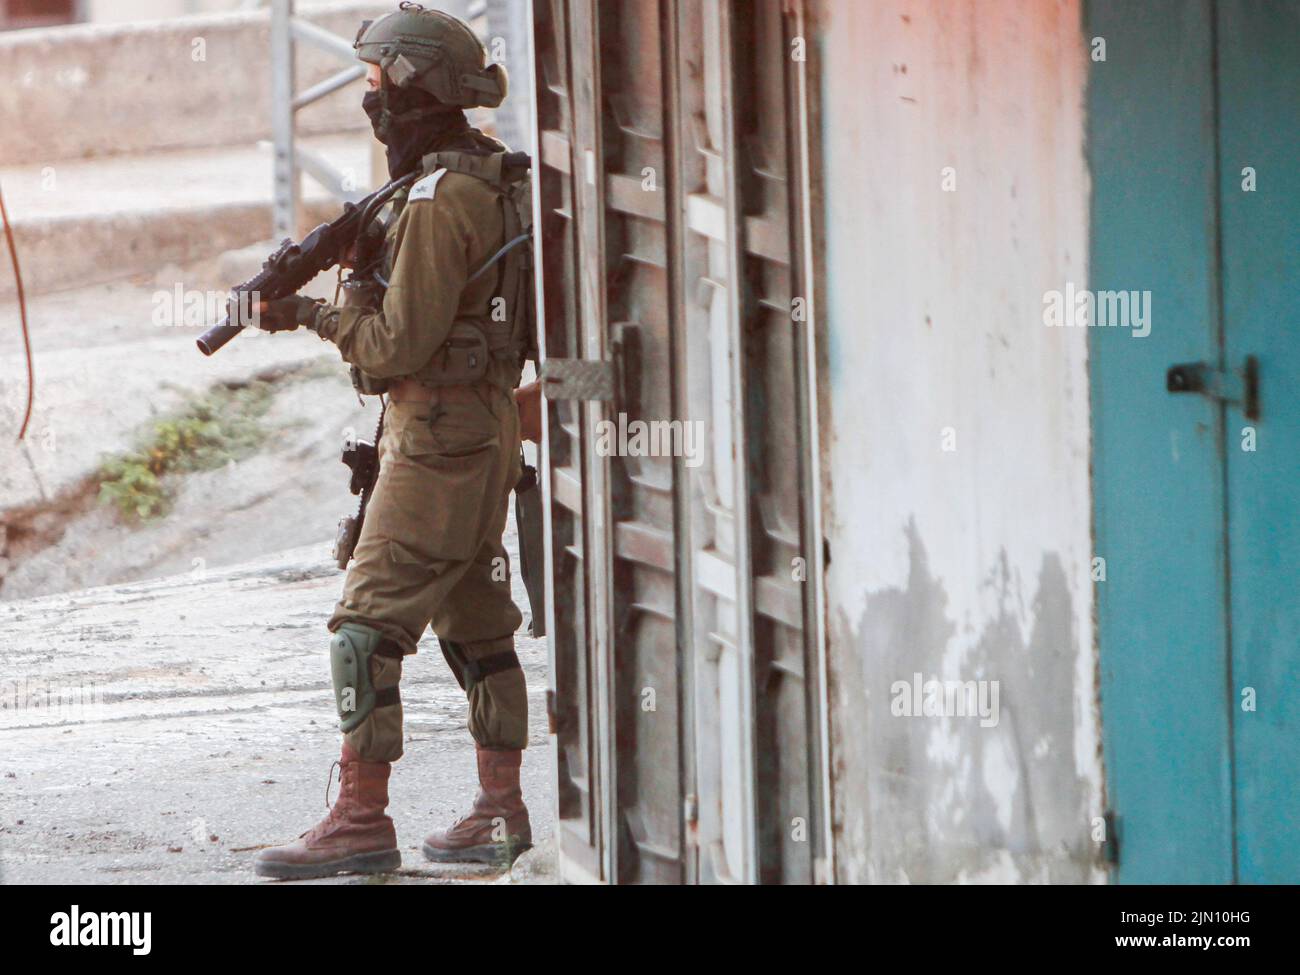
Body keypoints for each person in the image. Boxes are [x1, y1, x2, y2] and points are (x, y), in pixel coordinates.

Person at [250, 2, 537, 880]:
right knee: (478, 623)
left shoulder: (439, 198)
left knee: (364, 629)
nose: (369, 100)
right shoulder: (490, 174)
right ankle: (499, 811)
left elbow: (393, 345)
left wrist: (306, 312)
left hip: (436, 432)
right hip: (487, 428)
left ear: (411, 88)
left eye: (376, 82)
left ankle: (359, 820)